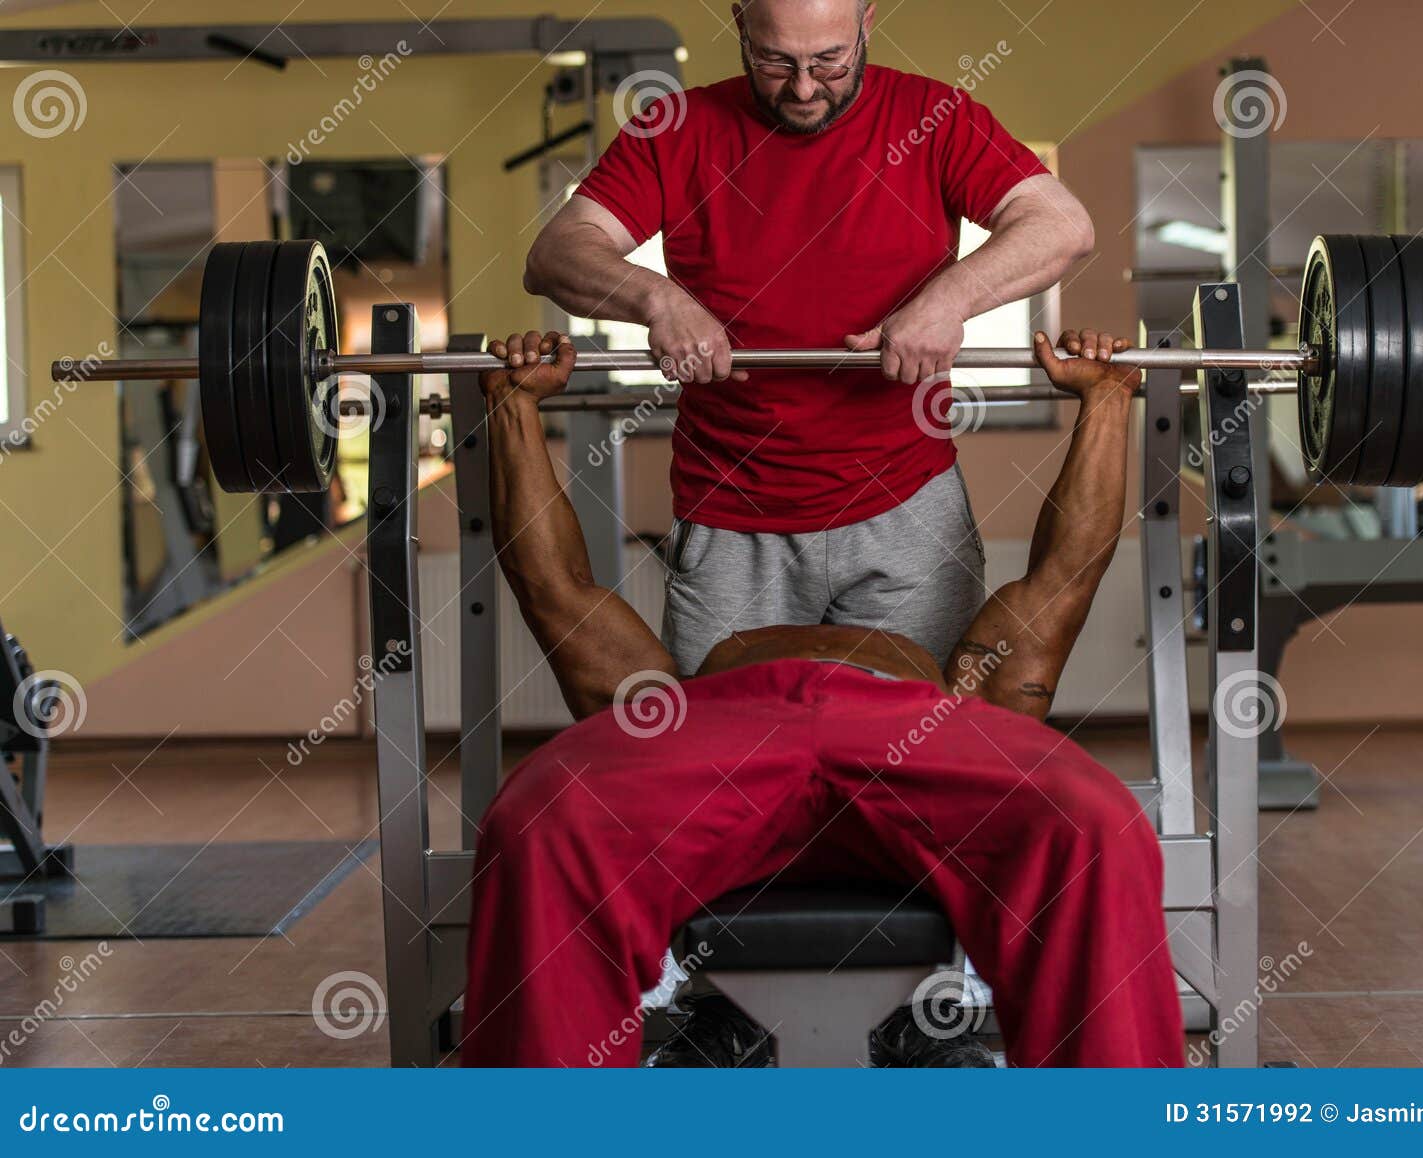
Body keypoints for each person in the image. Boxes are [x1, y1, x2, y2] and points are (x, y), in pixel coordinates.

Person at [459, 327, 1182, 1068]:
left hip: (893, 727)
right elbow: (553, 590)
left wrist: (1107, 396)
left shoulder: (967, 701)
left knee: (1095, 822)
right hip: (733, 722)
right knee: (540, 821)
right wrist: (511, 405)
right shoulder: (974, 690)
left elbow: (1069, 573)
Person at [522, 0, 1096, 677]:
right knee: (726, 765)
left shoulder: (935, 115)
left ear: (867, 22)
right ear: (739, 22)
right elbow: (555, 254)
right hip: (731, 515)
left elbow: (1063, 226)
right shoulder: (676, 128)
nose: (802, 87)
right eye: (776, 61)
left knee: (913, 756)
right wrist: (657, 299)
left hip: (906, 506)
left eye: (829, 61)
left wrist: (949, 300)